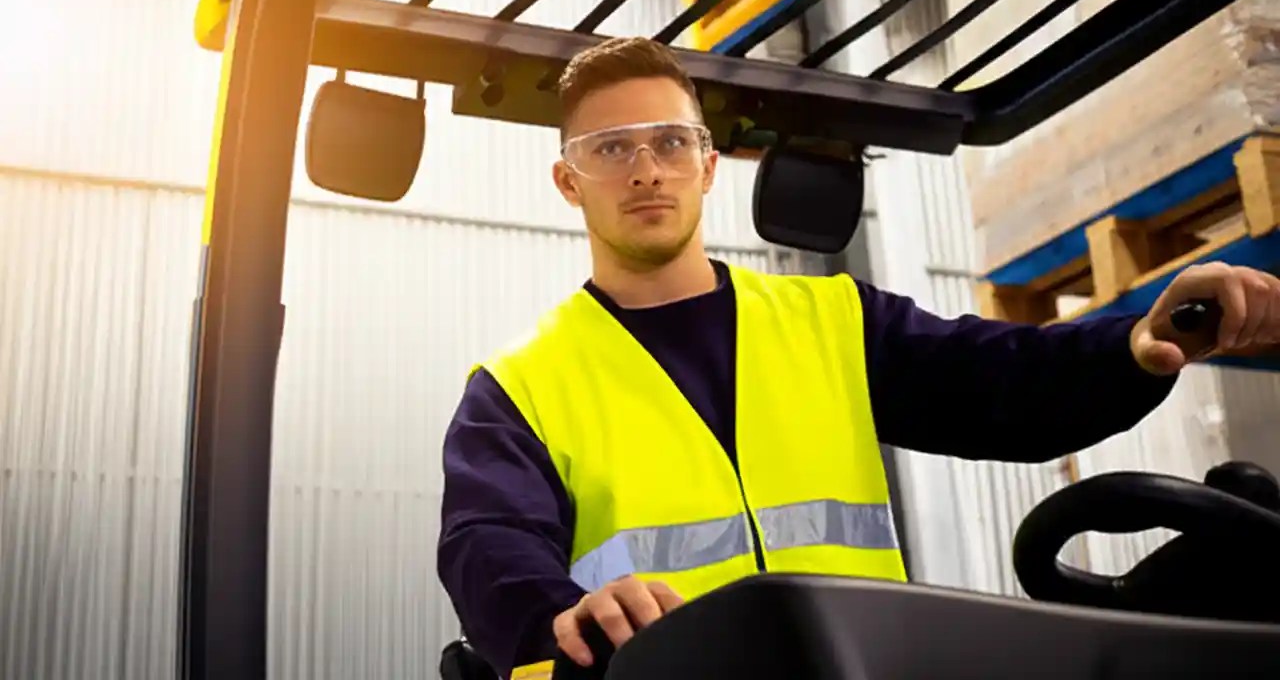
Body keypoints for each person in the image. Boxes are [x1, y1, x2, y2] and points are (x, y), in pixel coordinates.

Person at [436, 36, 1280, 678]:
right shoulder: (521, 387)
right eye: (612, 149)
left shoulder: (833, 321)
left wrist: (1140, 340)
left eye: (669, 142)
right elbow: (488, 546)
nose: (646, 170)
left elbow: (1007, 382)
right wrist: (567, 617)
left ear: (707, 164)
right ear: (568, 181)